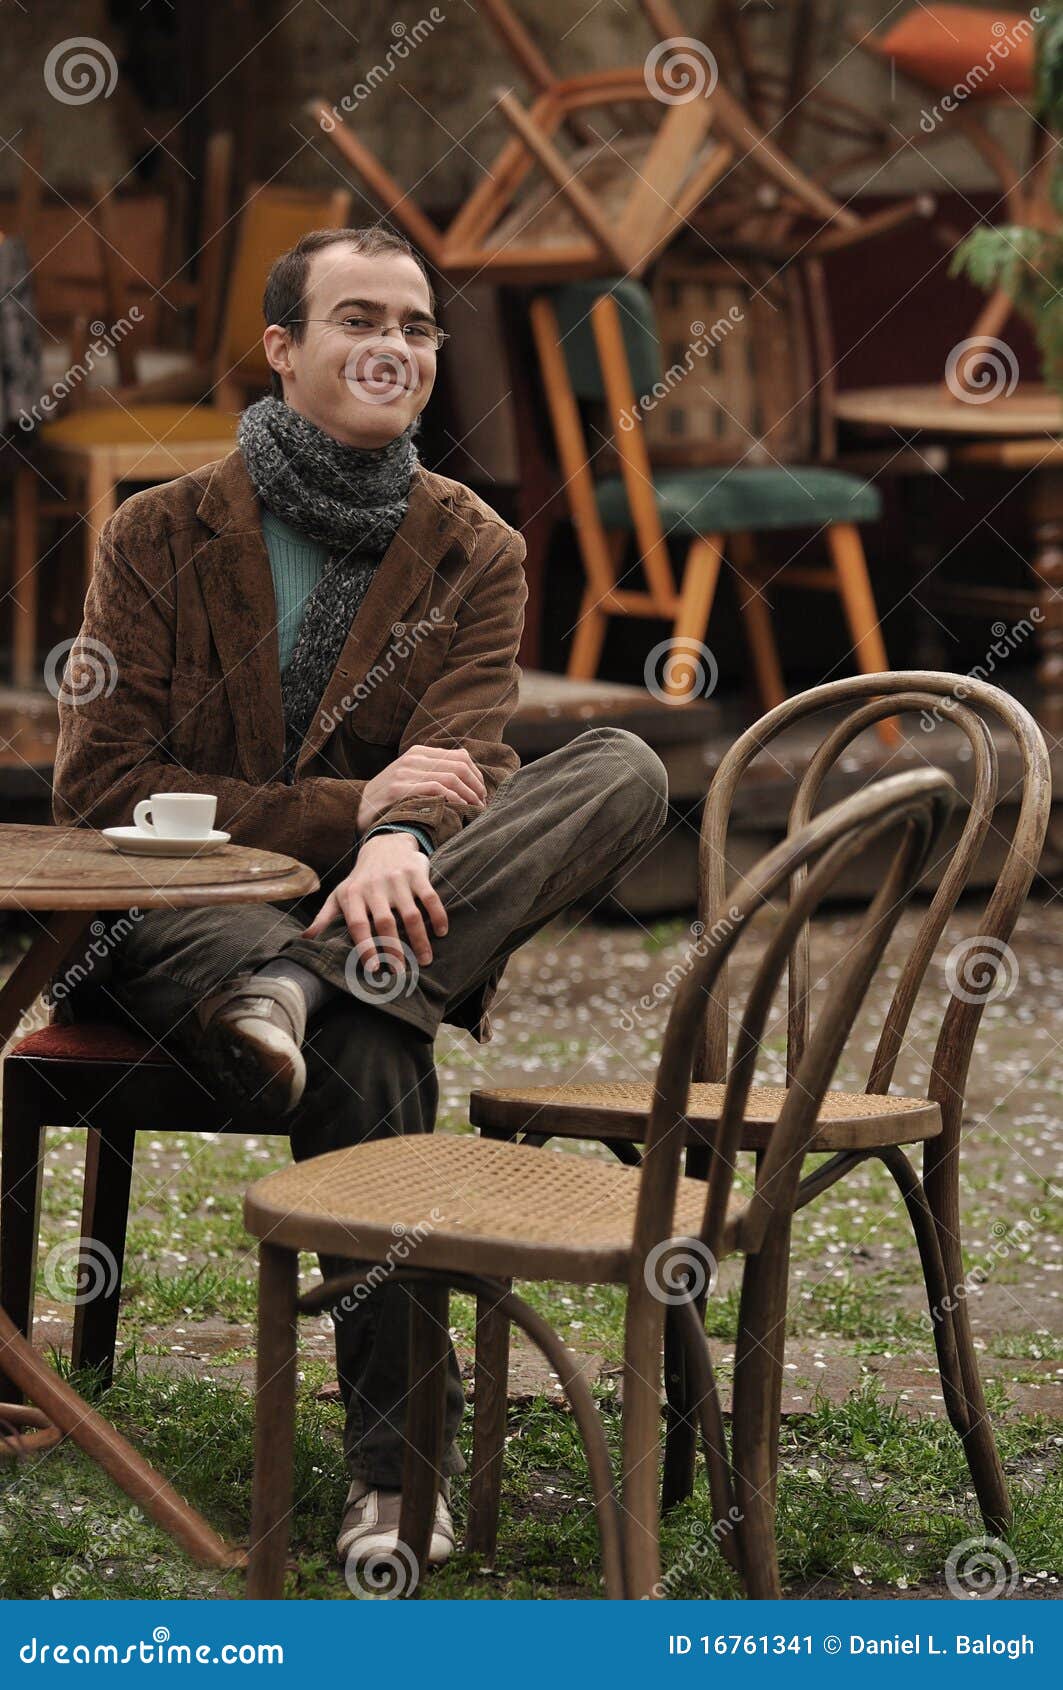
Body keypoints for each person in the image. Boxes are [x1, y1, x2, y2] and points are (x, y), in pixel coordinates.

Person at [52, 223, 669, 1573]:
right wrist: (363, 812)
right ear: (282, 349)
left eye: (418, 327)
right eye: (358, 321)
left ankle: (308, 988)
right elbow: (106, 788)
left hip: (385, 923)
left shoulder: (476, 549)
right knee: (367, 1020)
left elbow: (471, 759)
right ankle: (396, 1474)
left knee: (619, 767)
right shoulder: (158, 533)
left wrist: (405, 830)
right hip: (183, 915)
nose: (394, 348)